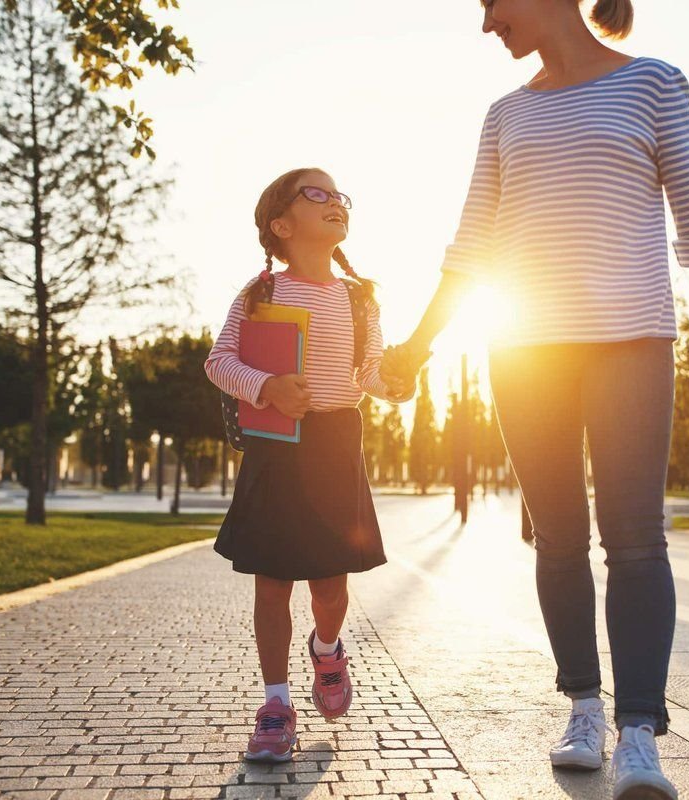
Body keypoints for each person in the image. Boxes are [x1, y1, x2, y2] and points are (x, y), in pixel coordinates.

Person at [382, 2, 689, 798]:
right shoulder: (505, 115)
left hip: (632, 340)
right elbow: (471, 245)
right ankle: (583, 709)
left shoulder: (654, 83)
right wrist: (420, 346)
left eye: (494, 4)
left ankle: (639, 732)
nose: (489, 24)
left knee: (635, 540)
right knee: (558, 538)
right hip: (524, 352)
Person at [204, 168, 415, 762]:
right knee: (272, 583)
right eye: (316, 194)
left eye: (339, 195)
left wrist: (398, 384)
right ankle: (275, 706)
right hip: (276, 448)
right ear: (281, 225)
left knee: (329, 585)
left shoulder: (359, 297)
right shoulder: (259, 294)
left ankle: (328, 649)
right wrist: (267, 386)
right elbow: (219, 363)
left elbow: (371, 375)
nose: (335, 203)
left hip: (333, 446)